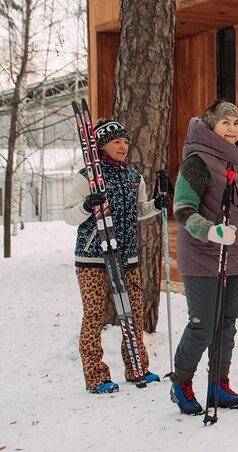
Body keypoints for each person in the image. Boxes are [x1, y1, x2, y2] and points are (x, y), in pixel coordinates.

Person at [169, 100, 238, 415]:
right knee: (203, 326)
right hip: (203, 256)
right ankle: (181, 384)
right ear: (211, 125)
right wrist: (210, 231)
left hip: (236, 255)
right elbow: (183, 209)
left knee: (226, 324)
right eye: (225, 122)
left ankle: (218, 384)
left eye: (236, 123)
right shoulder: (197, 161)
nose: (232, 129)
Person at [64, 119, 166, 394]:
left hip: (126, 256)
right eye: (115, 142)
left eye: (125, 141)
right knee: (94, 315)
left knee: (134, 314)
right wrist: (87, 206)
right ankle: (96, 376)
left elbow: (139, 210)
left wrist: (156, 205)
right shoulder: (86, 177)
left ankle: (137, 367)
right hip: (92, 258)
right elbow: (68, 215)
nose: (122, 146)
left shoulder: (134, 176)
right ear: (101, 146)